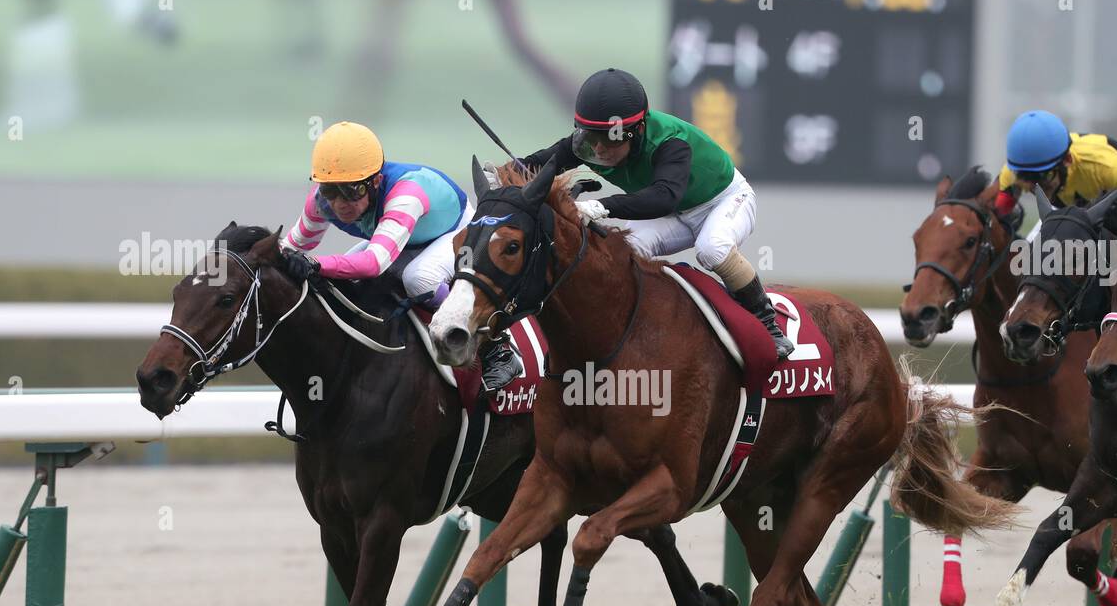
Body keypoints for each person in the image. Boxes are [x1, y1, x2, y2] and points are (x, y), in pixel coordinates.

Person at [519, 67, 793, 359]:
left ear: (636, 132)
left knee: (712, 248)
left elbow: (664, 197)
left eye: (610, 139)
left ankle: (767, 325)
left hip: (723, 200)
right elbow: (541, 163)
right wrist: (508, 173)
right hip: (673, 211)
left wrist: (601, 206)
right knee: (622, 252)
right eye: (592, 136)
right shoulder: (595, 142)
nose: (599, 149)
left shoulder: (670, 142)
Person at [280, 121, 521, 390]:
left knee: (419, 278)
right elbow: (291, 248)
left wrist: (314, 264)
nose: (339, 203)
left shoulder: (407, 194)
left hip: (455, 231)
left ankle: (497, 347)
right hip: (406, 238)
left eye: (351, 190)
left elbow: (373, 264)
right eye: (330, 190)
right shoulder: (319, 202)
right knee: (345, 282)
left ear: (376, 181)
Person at [994, 110, 1117, 219]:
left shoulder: (1108, 167)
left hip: (1111, 214)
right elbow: (992, 217)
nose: (1036, 188)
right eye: (1026, 179)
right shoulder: (1014, 171)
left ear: (1068, 160)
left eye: (1043, 176)